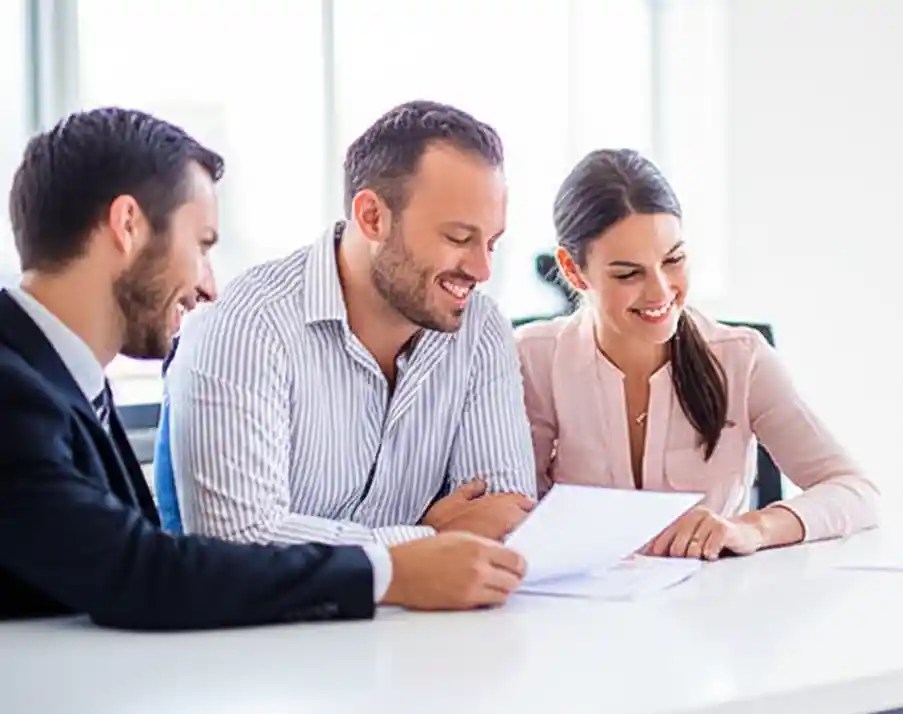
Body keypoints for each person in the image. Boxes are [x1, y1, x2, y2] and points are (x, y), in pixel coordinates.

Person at [0, 108, 525, 630]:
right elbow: (142, 571)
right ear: (129, 226)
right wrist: (405, 560)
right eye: (202, 245)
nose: (208, 286)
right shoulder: (14, 391)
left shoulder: (66, 383)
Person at [166, 100, 535, 548]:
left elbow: (503, 520)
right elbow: (239, 542)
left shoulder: (480, 329)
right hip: (275, 620)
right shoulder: (248, 325)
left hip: (431, 618)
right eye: (459, 238)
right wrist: (427, 539)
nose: (481, 270)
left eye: (492, 243)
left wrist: (437, 543)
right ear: (372, 217)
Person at [516, 149, 881, 561]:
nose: (660, 292)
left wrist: (752, 527)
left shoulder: (741, 360)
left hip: (710, 612)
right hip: (571, 614)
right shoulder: (533, 360)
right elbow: (509, 511)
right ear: (572, 269)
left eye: (674, 260)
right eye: (628, 273)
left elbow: (856, 492)